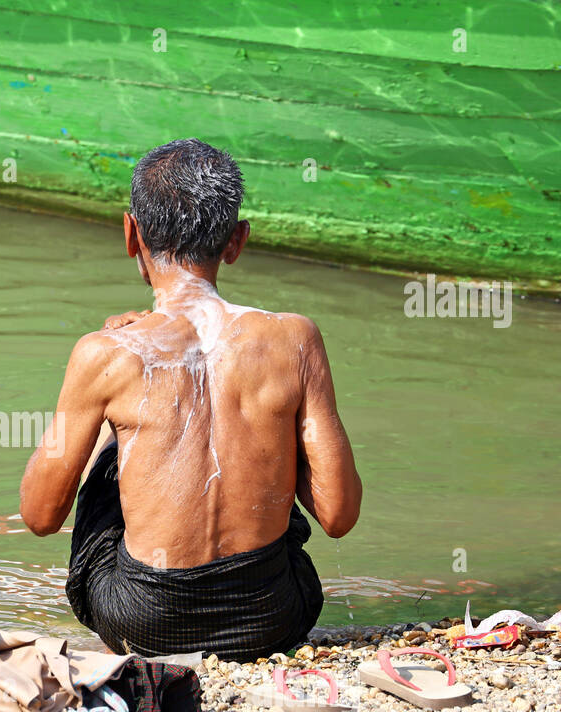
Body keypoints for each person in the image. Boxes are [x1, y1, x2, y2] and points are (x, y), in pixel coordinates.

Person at [19, 138, 361, 659]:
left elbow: (40, 515)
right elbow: (338, 515)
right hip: (272, 617)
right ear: (237, 240)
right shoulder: (296, 338)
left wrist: (111, 417)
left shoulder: (105, 352)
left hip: (141, 620)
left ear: (131, 233)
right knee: (262, 436)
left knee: (118, 431)